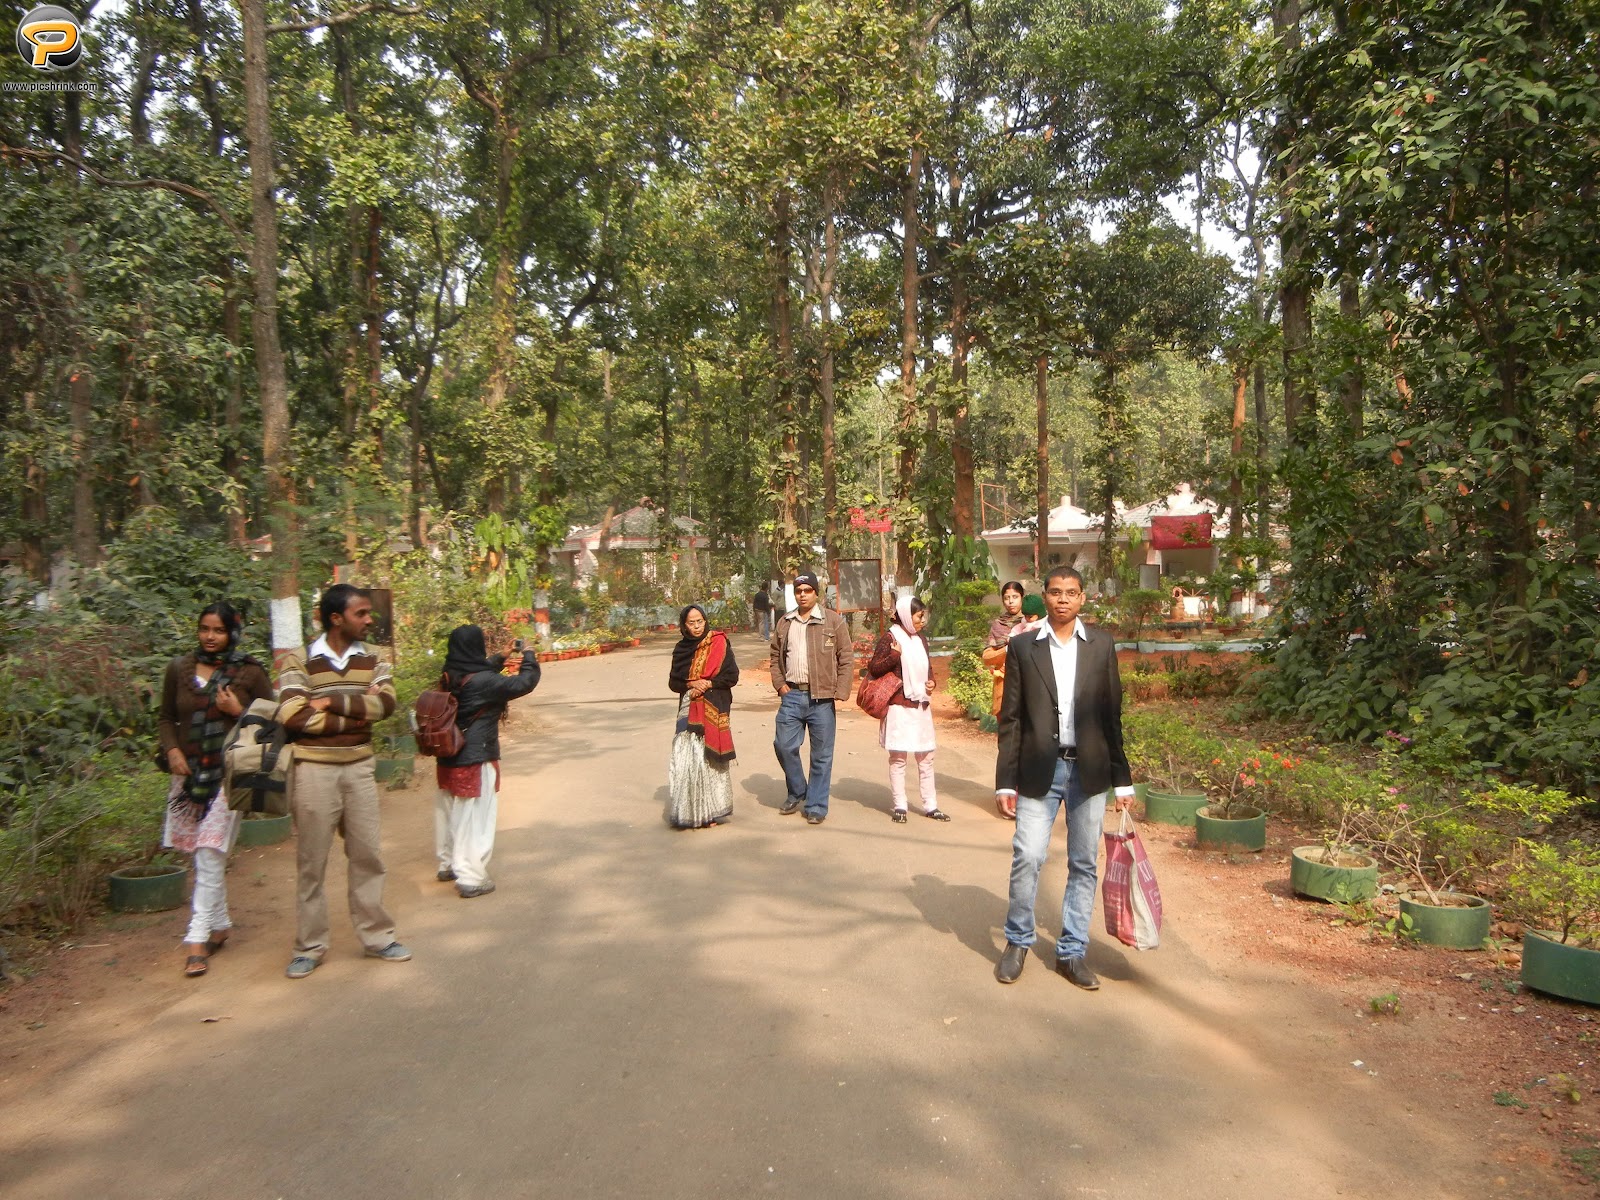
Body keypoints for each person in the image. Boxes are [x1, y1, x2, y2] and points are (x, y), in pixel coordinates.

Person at [993, 565, 1137, 991]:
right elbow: (1011, 718)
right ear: (1046, 596)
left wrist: (1122, 779)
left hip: (1088, 770)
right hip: (1040, 767)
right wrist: (1005, 779)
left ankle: (1071, 953)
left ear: (1082, 599)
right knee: (1029, 855)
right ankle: (1018, 941)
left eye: (1070, 593)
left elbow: (1112, 717)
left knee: (1083, 863)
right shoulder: (1022, 647)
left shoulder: (1101, 646)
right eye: (1055, 592)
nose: (1062, 600)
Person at [275, 584, 409, 979]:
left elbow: (384, 705)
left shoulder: (375, 658)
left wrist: (330, 701)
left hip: (360, 768)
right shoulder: (297, 661)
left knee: (368, 853)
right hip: (312, 770)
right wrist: (355, 713)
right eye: (361, 614)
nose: (370, 620)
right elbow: (294, 716)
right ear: (336, 619)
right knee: (311, 862)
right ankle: (309, 947)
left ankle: (378, 936)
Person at [156, 602, 276, 978]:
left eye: (218, 631)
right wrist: (172, 749)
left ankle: (196, 939)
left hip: (230, 773)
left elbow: (271, 724)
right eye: (204, 629)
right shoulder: (179, 669)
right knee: (201, 855)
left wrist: (237, 708)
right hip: (188, 775)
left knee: (209, 852)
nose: (210, 637)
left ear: (233, 633)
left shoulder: (250, 671)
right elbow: (165, 717)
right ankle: (220, 925)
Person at [434, 625, 541, 897]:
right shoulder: (484, 682)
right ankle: (470, 877)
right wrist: (528, 655)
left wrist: (499, 658)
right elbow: (523, 683)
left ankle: (448, 863)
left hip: (449, 756)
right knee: (474, 817)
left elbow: (479, 674)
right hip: (476, 756)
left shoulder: (450, 674)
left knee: (450, 811)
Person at [770, 570, 854, 825]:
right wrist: (781, 685)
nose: (803, 595)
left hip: (822, 699)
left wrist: (840, 690)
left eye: (807, 590)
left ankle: (816, 804)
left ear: (816, 593)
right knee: (783, 746)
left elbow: (846, 657)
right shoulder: (785, 622)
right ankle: (798, 791)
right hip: (792, 695)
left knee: (822, 755)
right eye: (798, 591)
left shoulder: (833, 621)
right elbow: (775, 656)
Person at [866, 596, 949, 824]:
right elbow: (874, 668)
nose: (923, 620)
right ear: (905, 615)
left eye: (923, 615)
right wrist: (894, 655)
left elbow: (927, 667)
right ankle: (900, 806)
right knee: (899, 758)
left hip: (921, 705)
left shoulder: (920, 639)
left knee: (926, 758)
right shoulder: (891, 638)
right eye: (918, 615)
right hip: (900, 707)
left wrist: (931, 682)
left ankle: (931, 806)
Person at [666, 604, 740, 829]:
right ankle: (688, 812)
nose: (697, 626)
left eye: (699, 621)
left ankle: (711, 812)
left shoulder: (719, 642)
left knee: (708, 760)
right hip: (688, 708)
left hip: (714, 705)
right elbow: (673, 683)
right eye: (691, 623)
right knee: (687, 757)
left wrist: (708, 683)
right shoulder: (681, 649)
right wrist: (691, 683)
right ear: (684, 625)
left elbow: (732, 676)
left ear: (705, 620)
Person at [981, 581, 1028, 716]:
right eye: (1007, 598)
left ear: (1022, 597)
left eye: (1015, 597)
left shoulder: (1032, 623)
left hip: (1027, 683)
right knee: (1005, 731)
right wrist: (1007, 650)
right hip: (1004, 684)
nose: (1010, 602)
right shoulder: (998, 625)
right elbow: (987, 657)